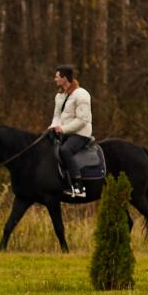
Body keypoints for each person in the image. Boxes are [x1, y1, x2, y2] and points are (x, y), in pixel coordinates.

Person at [49, 65, 93, 198]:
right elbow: (57, 116)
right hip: (65, 133)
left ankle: (79, 186)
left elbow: (82, 120)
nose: (55, 79)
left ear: (64, 78)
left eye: (57, 77)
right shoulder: (59, 96)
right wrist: (52, 127)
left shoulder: (82, 95)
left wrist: (63, 129)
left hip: (81, 134)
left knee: (65, 150)